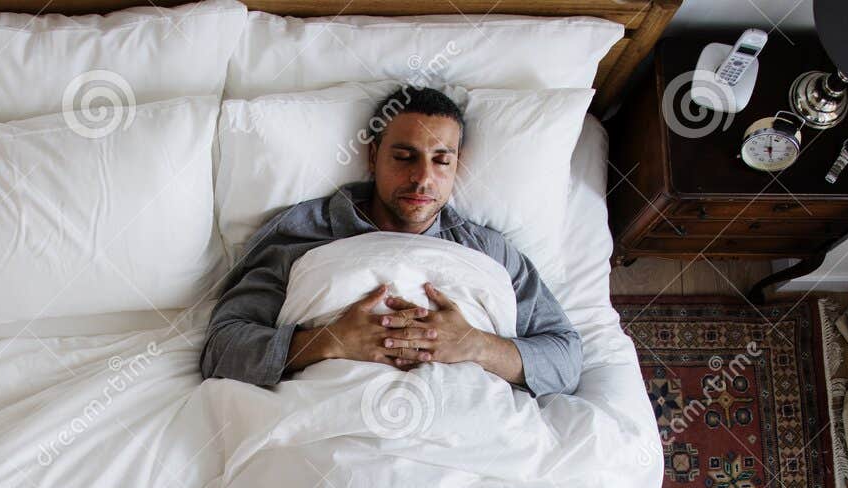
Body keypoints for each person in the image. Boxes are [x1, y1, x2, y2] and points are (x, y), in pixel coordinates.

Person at [201, 85, 581, 396]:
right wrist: (325, 342)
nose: (422, 178)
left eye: (441, 161)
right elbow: (221, 348)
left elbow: (565, 362)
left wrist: (476, 346)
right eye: (404, 156)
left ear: (456, 165)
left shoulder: (489, 251)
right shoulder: (301, 233)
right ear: (373, 156)